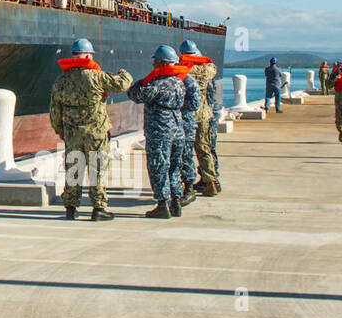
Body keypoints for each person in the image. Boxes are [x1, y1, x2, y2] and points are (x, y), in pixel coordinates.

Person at [49, 38, 133, 221]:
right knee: (97, 170)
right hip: (96, 133)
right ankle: (98, 209)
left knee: (73, 170)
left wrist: (61, 131)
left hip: (72, 134)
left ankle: (70, 208)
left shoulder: (61, 81)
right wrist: (123, 72)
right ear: (88, 56)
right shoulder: (97, 77)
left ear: (73, 56)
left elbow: (55, 111)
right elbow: (123, 84)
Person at [127, 45, 189, 219]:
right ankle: (176, 202)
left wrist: (141, 82)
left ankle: (162, 205)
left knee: (158, 166)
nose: (153, 65)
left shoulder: (156, 84)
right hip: (178, 130)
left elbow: (135, 94)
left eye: (155, 61)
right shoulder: (179, 82)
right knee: (174, 167)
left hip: (160, 131)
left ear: (162, 63)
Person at [180, 40, 220, 196]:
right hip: (204, 114)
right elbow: (212, 66)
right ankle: (211, 182)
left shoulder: (183, 71)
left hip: (187, 116)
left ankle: (186, 184)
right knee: (204, 149)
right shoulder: (208, 69)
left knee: (186, 151)